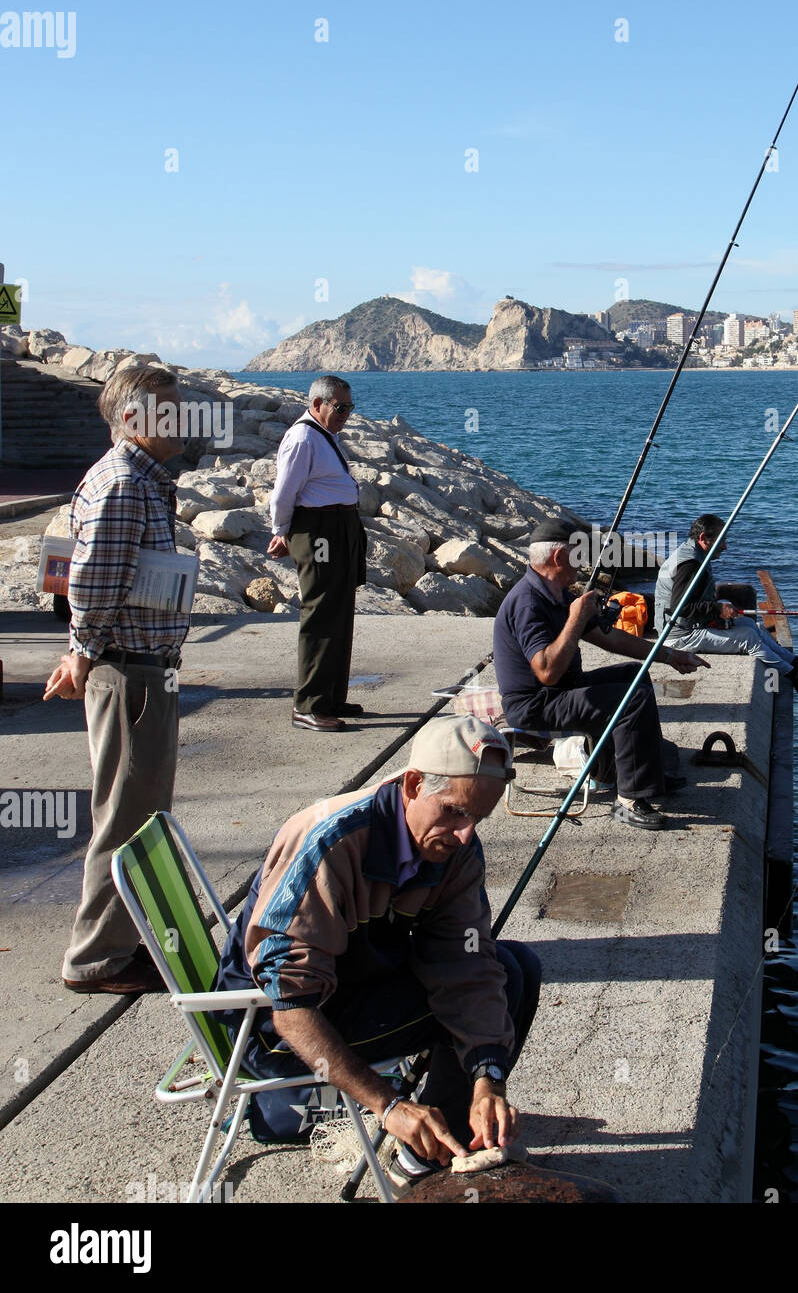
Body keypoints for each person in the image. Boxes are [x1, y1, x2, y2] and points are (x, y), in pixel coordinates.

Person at [214, 715, 538, 1185]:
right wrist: (389, 1106)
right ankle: (423, 1155)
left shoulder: (455, 848)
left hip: (351, 983)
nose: (467, 835)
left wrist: (488, 1076)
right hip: (270, 1026)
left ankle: (456, 1124)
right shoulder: (329, 842)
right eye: (453, 811)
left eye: (477, 818)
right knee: (498, 985)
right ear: (411, 785)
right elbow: (291, 1010)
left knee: (512, 967)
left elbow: (466, 962)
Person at [44, 364, 189, 994]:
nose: (182, 420)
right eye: (168, 410)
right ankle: (96, 958)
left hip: (139, 669)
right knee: (126, 816)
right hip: (129, 673)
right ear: (133, 419)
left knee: (136, 808)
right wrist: (81, 649)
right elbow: (95, 579)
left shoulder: (138, 479)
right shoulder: (126, 484)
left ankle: (123, 939)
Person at [492, 521, 708, 832]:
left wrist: (670, 656)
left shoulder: (557, 594)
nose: (585, 563)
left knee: (635, 676)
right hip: (535, 704)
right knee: (631, 700)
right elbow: (547, 672)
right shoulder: (528, 603)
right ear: (558, 558)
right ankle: (629, 801)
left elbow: (612, 639)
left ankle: (635, 773)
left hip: (561, 691)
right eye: (579, 554)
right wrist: (576, 620)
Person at [267, 374, 367, 732]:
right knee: (321, 613)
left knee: (340, 611)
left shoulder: (326, 435)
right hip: (319, 531)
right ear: (317, 405)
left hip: (340, 527)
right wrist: (281, 531)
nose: (345, 414)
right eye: (339, 408)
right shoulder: (303, 437)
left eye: (349, 408)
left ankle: (331, 697)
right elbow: (283, 494)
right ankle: (308, 704)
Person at [655, 514, 798, 696]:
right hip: (679, 636)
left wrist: (717, 610)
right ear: (703, 538)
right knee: (747, 637)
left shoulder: (692, 552)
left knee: (751, 624)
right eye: (722, 539)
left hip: (686, 627)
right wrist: (717, 609)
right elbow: (679, 607)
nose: (725, 546)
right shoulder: (690, 564)